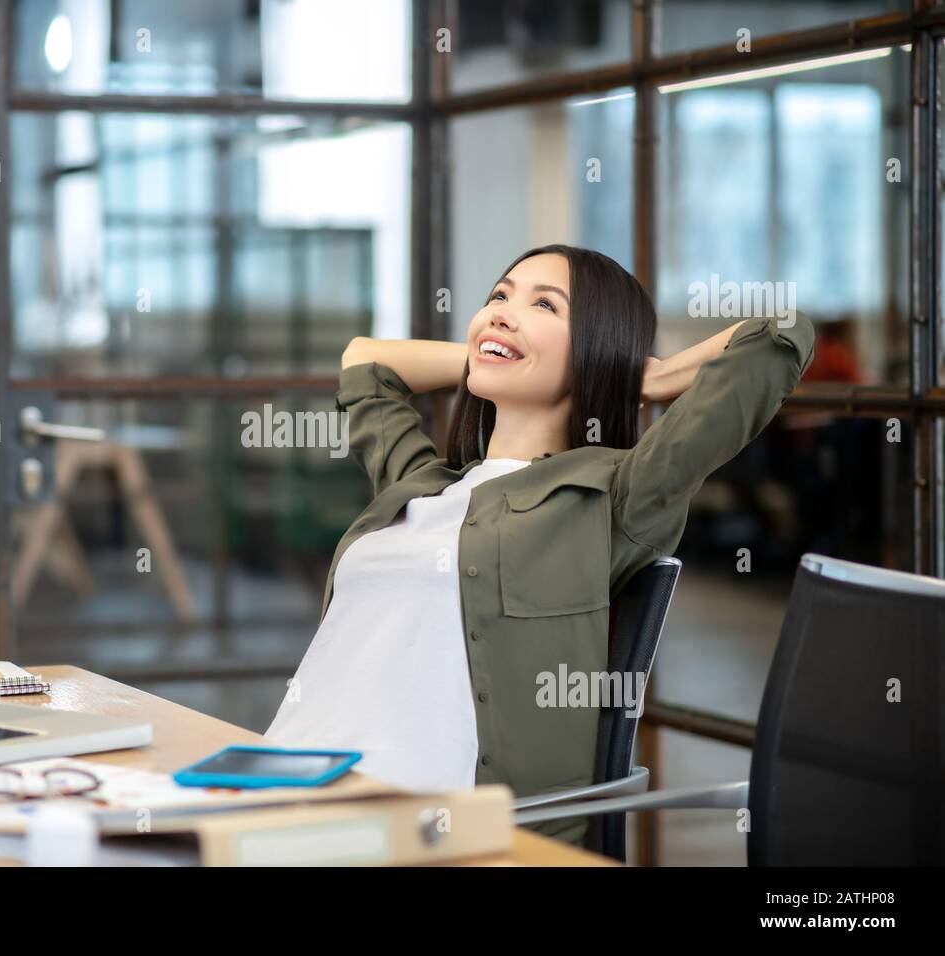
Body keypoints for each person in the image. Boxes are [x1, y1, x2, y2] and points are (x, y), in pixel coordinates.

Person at [265, 243, 815, 846]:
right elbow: (365, 361)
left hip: (427, 826)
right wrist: (490, 351)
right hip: (283, 785)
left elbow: (782, 332)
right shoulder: (422, 483)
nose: (502, 312)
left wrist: (644, 374)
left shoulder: (617, 494)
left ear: (597, 347)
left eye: (544, 305)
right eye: (499, 296)